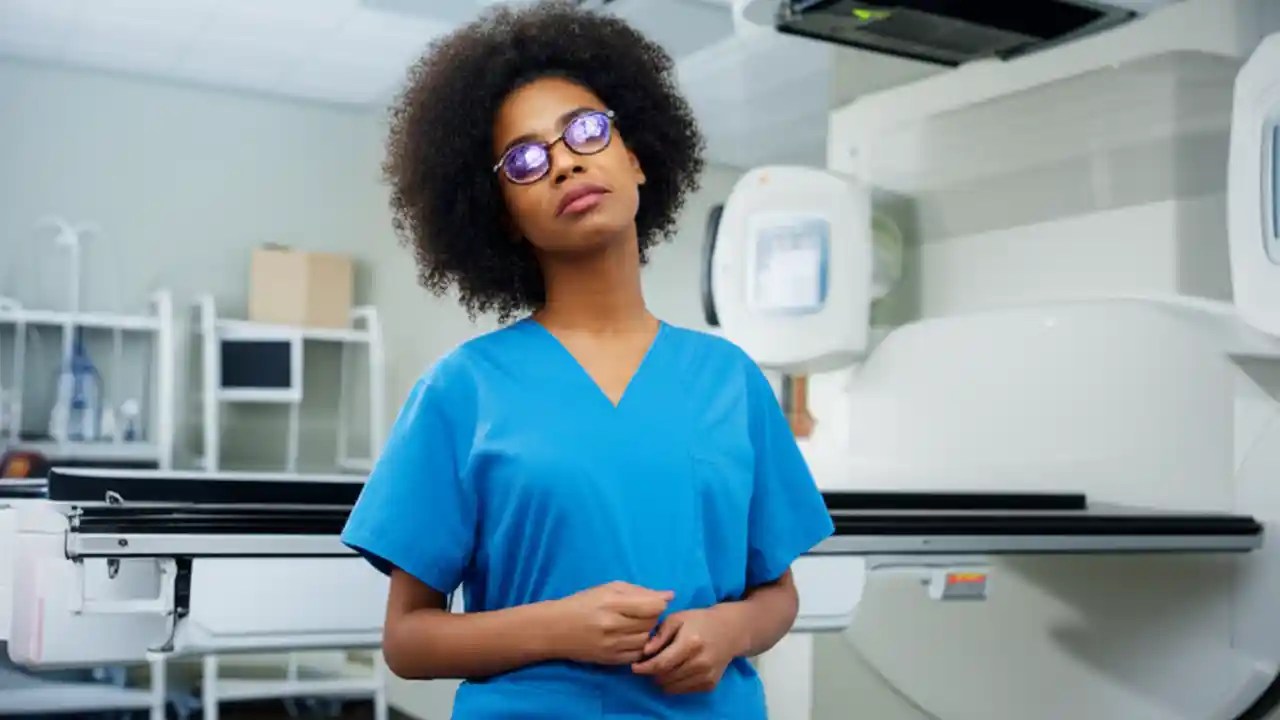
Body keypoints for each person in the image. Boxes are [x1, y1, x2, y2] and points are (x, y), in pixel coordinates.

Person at [340, 1, 834, 717]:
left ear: (634, 157)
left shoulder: (730, 381)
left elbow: (776, 595)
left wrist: (729, 630)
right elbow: (409, 640)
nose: (565, 160)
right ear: (503, 214)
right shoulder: (462, 391)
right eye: (525, 159)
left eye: (586, 130)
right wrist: (558, 628)